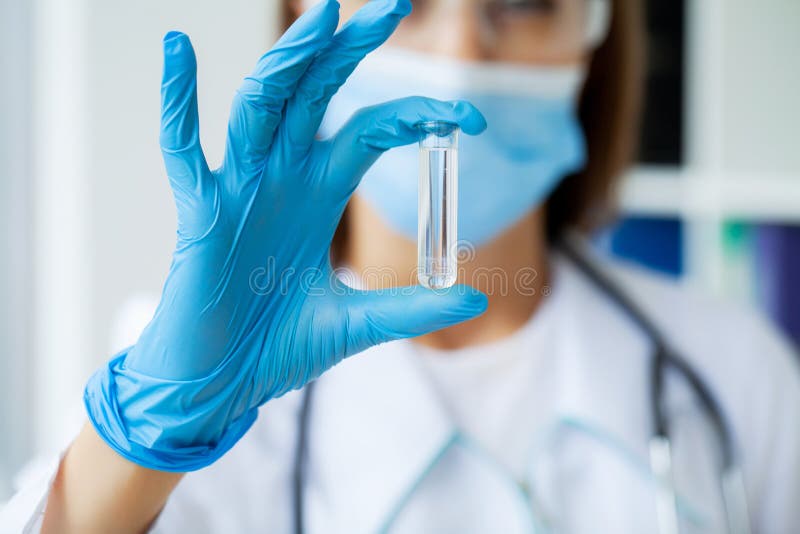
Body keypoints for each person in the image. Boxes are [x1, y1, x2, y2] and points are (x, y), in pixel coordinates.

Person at [2, 0, 799, 532]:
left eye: (519, 2)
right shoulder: (204, 364)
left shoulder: (733, 372)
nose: (459, 58)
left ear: (597, 38)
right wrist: (140, 444)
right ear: (309, 22)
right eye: (407, 3)